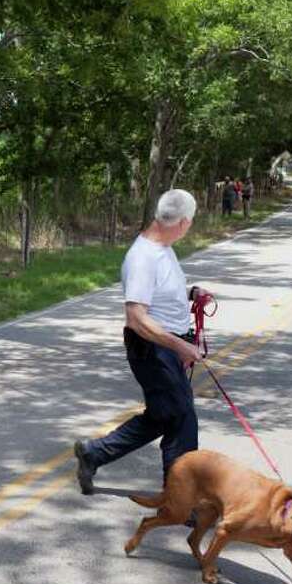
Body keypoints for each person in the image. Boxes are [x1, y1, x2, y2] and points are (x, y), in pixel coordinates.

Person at [74, 189, 210, 494]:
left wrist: (190, 294)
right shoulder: (143, 257)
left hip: (166, 347)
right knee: (181, 417)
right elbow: (137, 317)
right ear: (183, 222)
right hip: (152, 350)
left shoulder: (164, 247)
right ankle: (181, 497)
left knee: (165, 415)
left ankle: (94, 453)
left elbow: (158, 291)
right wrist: (181, 346)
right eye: (191, 223)